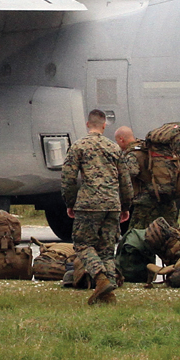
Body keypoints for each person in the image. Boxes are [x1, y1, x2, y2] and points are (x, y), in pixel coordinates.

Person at [61, 108, 132, 274]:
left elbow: (68, 178)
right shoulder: (114, 148)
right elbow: (125, 181)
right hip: (112, 204)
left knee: (83, 244)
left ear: (87, 124)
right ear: (104, 126)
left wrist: (70, 202)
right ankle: (110, 284)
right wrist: (126, 206)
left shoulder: (78, 146)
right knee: (107, 251)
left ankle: (99, 276)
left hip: (89, 204)